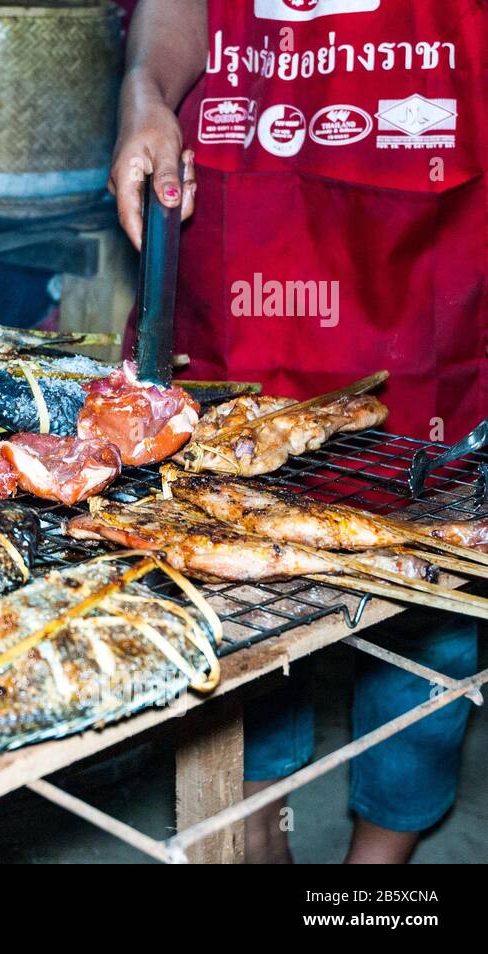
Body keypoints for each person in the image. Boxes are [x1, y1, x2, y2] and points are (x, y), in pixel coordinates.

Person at [108, 0, 484, 863]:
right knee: (237, 604)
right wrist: (145, 91)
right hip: (242, 225)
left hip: (433, 248)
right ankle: (259, 840)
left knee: (431, 612)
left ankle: (377, 878)